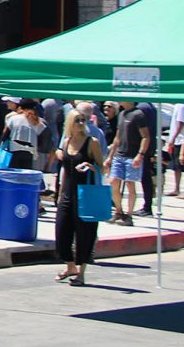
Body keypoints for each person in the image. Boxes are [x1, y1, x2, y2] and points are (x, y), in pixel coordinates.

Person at [53, 108, 108, 286]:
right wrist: (60, 193)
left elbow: (102, 167)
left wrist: (90, 166)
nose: (81, 123)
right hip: (68, 191)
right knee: (62, 232)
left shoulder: (91, 142)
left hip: (86, 193)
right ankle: (70, 266)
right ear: (70, 122)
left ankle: (81, 272)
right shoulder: (67, 141)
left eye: (83, 120)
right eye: (77, 120)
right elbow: (64, 169)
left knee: (85, 233)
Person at [107, 97, 149, 227]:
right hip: (119, 155)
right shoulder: (121, 114)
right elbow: (117, 137)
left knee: (130, 185)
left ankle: (129, 215)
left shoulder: (138, 115)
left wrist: (140, 155)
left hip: (132, 156)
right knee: (113, 182)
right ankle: (119, 211)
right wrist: (110, 156)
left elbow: (145, 136)